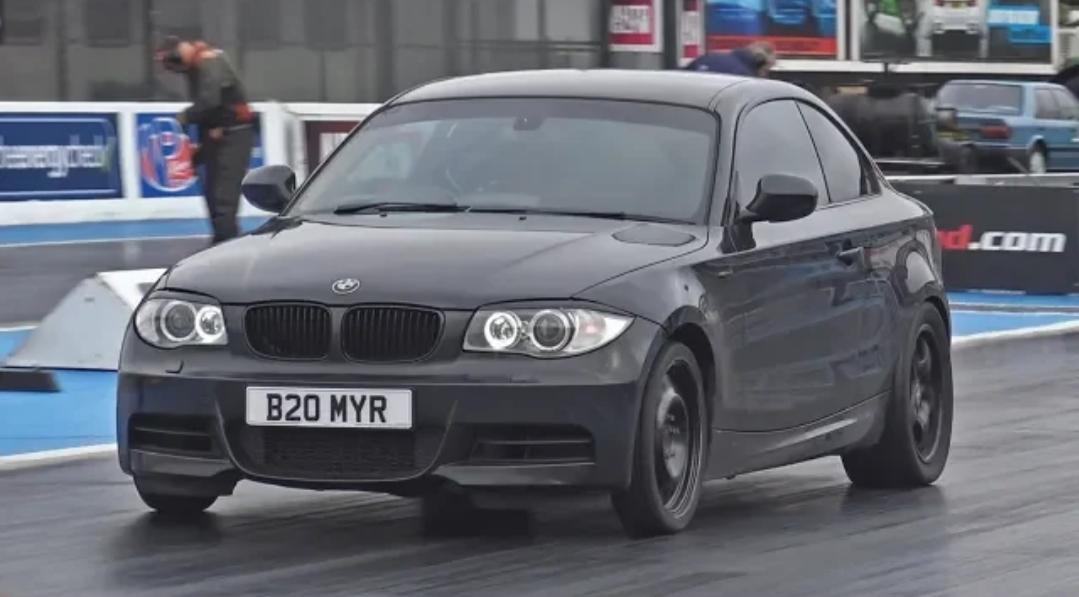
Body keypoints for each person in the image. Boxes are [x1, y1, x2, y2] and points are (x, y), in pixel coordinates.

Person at [155, 36, 256, 245]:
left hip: (234, 133)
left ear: (179, 52)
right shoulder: (195, 67)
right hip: (216, 133)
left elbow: (210, 101)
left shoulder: (208, 62)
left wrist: (186, 116)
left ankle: (226, 242)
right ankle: (223, 238)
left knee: (223, 195)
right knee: (212, 192)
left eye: (170, 62)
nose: (173, 69)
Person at [683, 41, 777, 78]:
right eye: (766, 70)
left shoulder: (708, 57)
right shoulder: (745, 77)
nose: (765, 75)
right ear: (760, 62)